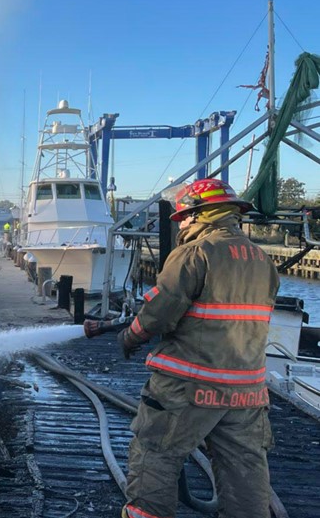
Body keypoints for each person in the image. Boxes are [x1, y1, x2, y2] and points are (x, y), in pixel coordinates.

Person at [112, 178, 278, 518]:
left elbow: (158, 314)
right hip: (247, 392)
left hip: (189, 386)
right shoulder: (263, 260)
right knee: (244, 470)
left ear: (201, 214)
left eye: (184, 217)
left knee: (156, 453)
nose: (182, 224)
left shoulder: (194, 253)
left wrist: (130, 337)